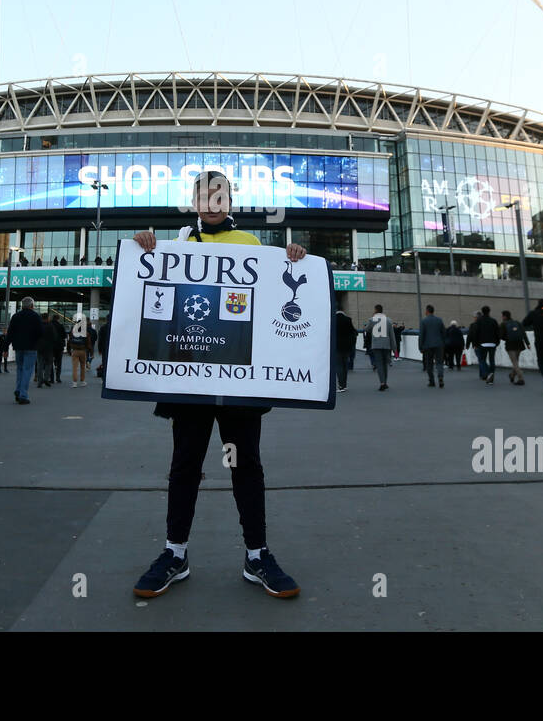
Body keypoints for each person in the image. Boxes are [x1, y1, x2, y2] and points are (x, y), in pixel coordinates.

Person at [131, 170, 306, 600]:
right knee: (185, 463)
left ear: (231, 201)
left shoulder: (251, 245)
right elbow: (151, 292)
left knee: (245, 463)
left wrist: (294, 261)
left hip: (239, 381)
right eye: (204, 195)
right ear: (193, 201)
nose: (212, 201)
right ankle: (175, 553)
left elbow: (269, 306)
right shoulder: (175, 244)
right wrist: (140, 250)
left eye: (220, 194)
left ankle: (257, 555)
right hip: (190, 377)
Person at [7, 296, 42, 404]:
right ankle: (23, 395)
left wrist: (4, 347)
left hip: (18, 347)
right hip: (31, 347)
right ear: (32, 306)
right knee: (27, 370)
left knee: (20, 369)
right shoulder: (36, 317)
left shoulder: (16, 316)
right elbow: (40, 333)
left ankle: (18, 389)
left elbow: (10, 333)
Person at [466, 306, 501, 385]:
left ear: (482, 311)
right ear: (489, 311)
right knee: (492, 360)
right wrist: (497, 342)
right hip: (492, 344)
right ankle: (491, 374)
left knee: (482, 360)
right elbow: (498, 332)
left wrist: (475, 344)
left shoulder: (478, 321)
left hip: (482, 344)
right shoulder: (493, 321)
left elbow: (475, 333)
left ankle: (488, 373)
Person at [363, 304, 393, 391]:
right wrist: (394, 348)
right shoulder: (389, 320)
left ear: (376, 310)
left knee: (379, 364)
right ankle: (385, 382)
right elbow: (392, 335)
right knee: (384, 364)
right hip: (386, 345)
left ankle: (382, 383)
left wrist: (369, 322)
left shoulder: (372, 320)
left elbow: (366, 330)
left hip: (376, 345)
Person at [418, 305, 448, 388]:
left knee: (429, 364)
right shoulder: (439, 320)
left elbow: (421, 335)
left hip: (427, 346)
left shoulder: (423, 321)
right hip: (439, 344)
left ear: (427, 311)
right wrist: (443, 342)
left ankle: (431, 381)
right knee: (439, 362)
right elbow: (444, 333)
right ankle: (440, 377)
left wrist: (420, 347)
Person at [501, 309, 529, 386]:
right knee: (516, 361)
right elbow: (523, 333)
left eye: (502, 316)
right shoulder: (517, 323)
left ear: (505, 317)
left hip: (510, 345)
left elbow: (501, 335)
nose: (502, 317)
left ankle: (521, 378)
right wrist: (528, 343)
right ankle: (512, 375)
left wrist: (506, 338)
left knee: (515, 363)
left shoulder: (503, 324)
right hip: (519, 345)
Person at [334, 309, 357, 392]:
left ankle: (340, 385)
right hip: (347, 346)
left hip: (337, 346)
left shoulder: (333, 319)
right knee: (344, 365)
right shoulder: (348, 320)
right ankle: (344, 385)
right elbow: (353, 333)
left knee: (339, 365)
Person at [67, 314, 93, 387]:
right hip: (83, 351)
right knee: (82, 366)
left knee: (75, 367)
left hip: (74, 351)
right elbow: (89, 344)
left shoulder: (73, 333)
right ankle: (82, 381)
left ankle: (74, 382)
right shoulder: (85, 333)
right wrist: (91, 352)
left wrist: (69, 351)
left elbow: (69, 342)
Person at [35, 312, 57, 387]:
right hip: (49, 348)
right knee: (48, 364)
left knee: (40, 364)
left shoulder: (38, 326)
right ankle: (46, 378)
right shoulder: (51, 326)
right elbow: (54, 337)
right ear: (48, 318)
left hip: (39, 347)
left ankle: (40, 380)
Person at [51, 314, 68, 384]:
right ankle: (58, 377)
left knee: (50, 362)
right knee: (59, 362)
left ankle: (51, 378)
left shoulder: (50, 325)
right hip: (59, 346)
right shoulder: (61, 326)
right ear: (58, 319)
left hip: (51, 346)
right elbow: (65, 336)